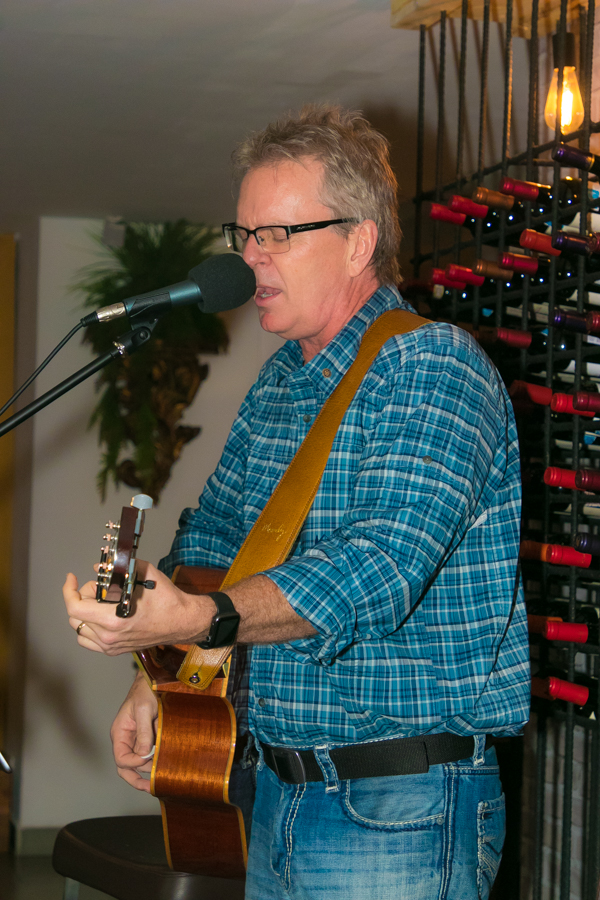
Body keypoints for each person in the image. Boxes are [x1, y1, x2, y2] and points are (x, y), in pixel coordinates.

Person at [63, 104, 530, 900]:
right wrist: (159, 674)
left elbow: (378, 569)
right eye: (243, 235)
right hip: (274, 792)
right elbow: (211, 540)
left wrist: (200, 621)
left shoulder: (433, 366)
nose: (250, 261)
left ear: (360, 241)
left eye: (279, 234)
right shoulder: (279, 385)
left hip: (398, 806)